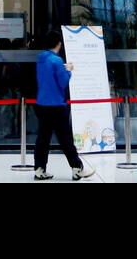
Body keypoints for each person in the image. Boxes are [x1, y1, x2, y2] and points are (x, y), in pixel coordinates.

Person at [32, 29, 93, 181]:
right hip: (56, 105)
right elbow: (63, 82)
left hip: (42, 104)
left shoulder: (41, 58)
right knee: (65, 139)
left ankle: (40, 169)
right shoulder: (57, 61)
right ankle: (76, 168)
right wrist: (69, 70)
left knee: (43, 138)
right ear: (59, 44)